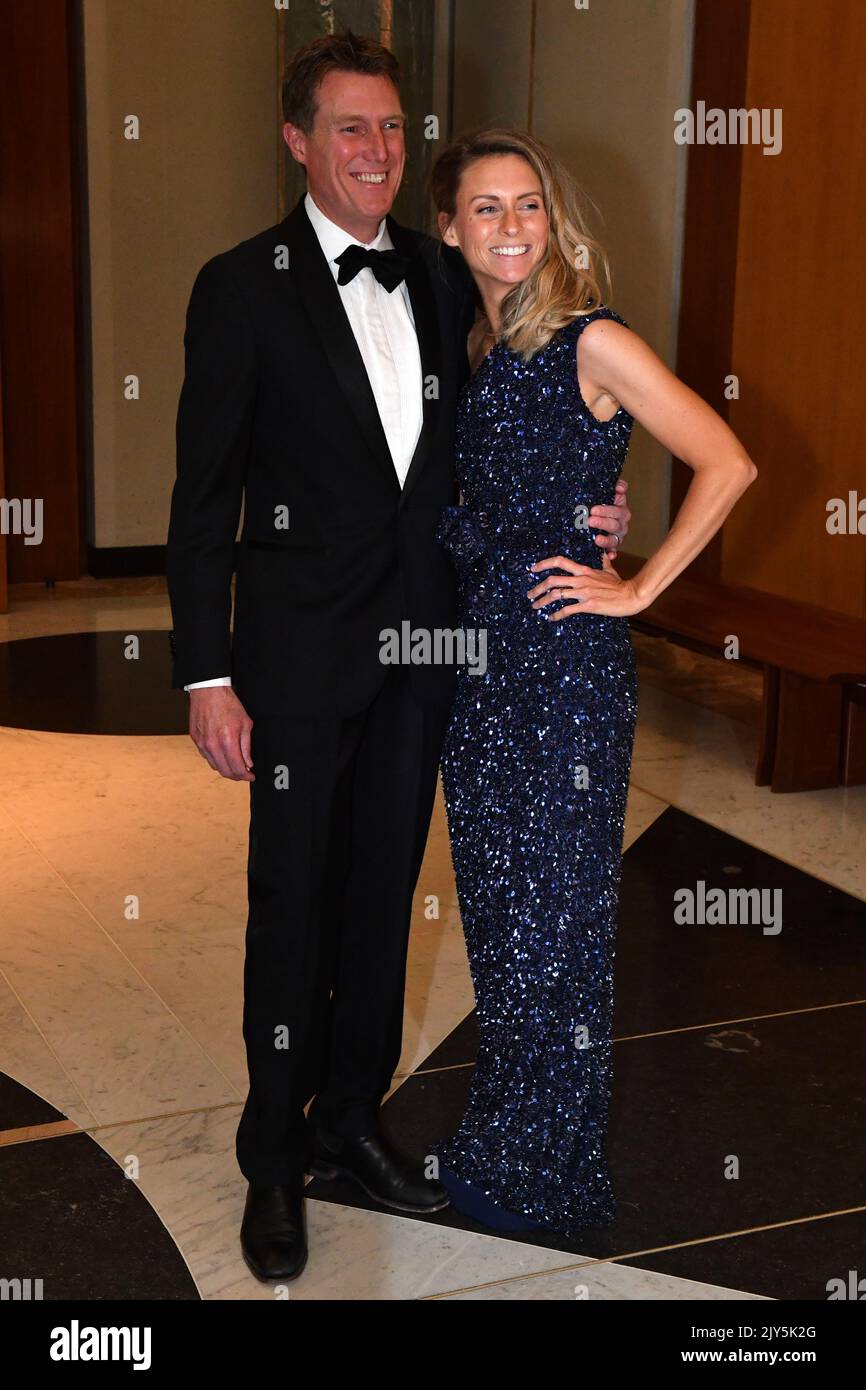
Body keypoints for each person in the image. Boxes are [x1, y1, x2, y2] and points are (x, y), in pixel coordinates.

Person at [165, 35, 632, 1282]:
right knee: (293, 904)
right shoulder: (238, 286)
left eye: (390, 130)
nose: (375, 152)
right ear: (299, 142)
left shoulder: (440, 273)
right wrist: (205, 676)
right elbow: (201, 500)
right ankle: (274, 1153)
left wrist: (601, 507)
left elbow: (525, 423)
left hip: (429, 648)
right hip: (297, 660)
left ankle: (352, 1122)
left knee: (383, 900)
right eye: (350, 130)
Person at [427, 128, 757, 1236]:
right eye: (485, 207)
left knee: (554, 926)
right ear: (448, 226)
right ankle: (503, 1140)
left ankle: (546, 1176)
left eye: (528, 204)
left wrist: (638, 586)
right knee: (503, 915)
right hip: (483, 661)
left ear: (552, 218)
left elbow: (726, 459)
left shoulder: (590, 339)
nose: (510, 225)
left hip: (561, 664)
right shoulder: (484, 341)